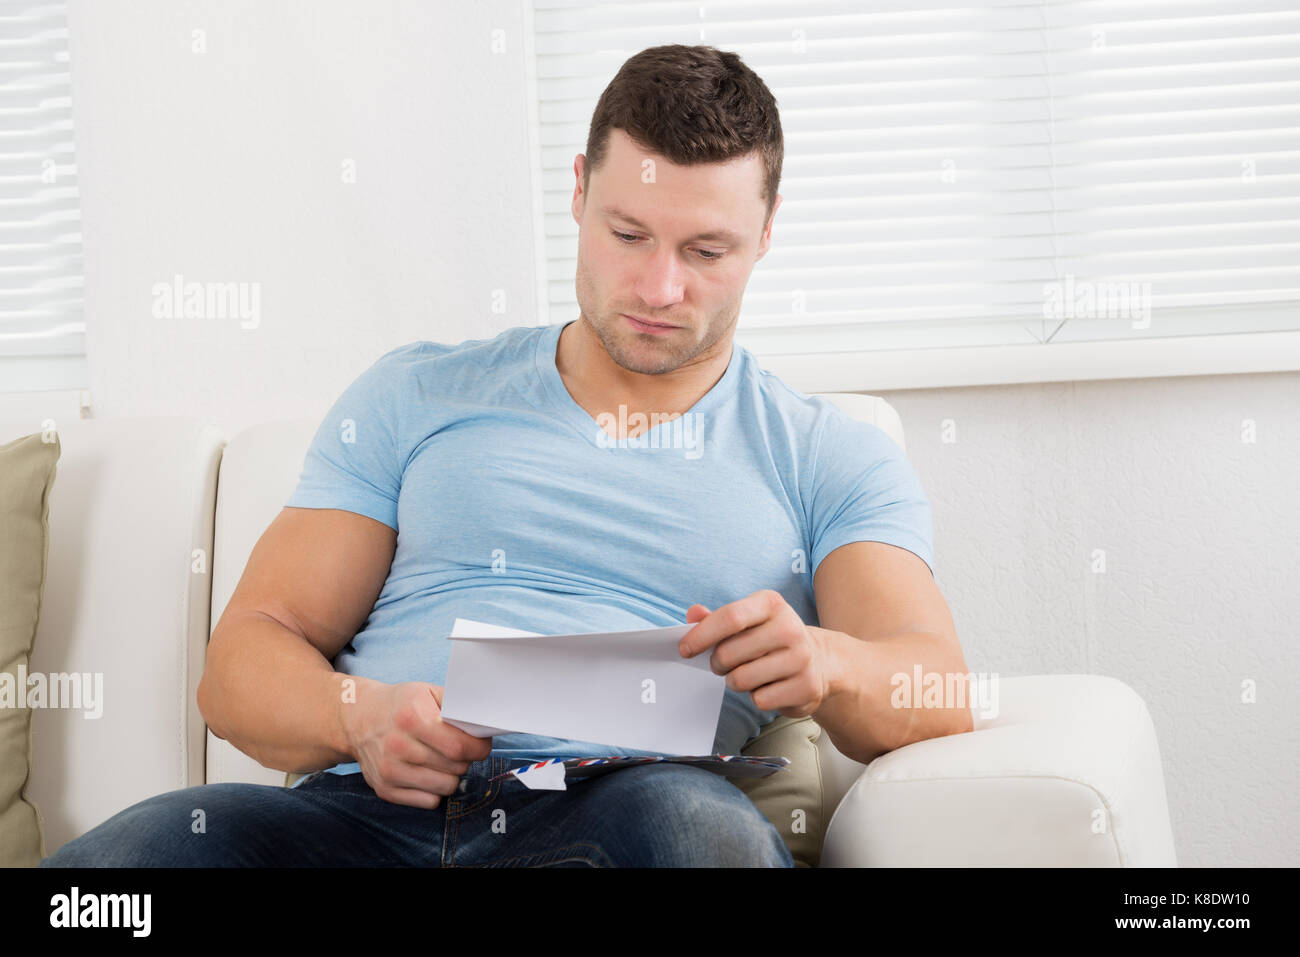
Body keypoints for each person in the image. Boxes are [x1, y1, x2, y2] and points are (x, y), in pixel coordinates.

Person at [42, 43, 969, 868]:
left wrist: (827, 662)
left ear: (767, 234)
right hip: (363, 813)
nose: (658, 286)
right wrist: (357, 717)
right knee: (133, 855)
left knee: (703, 838)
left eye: (708, 250)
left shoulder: (823, 455)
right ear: (577, 190)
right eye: (628, 234)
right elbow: (239, 665)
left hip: (626, 807)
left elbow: (938, 689)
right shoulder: (417, 394)